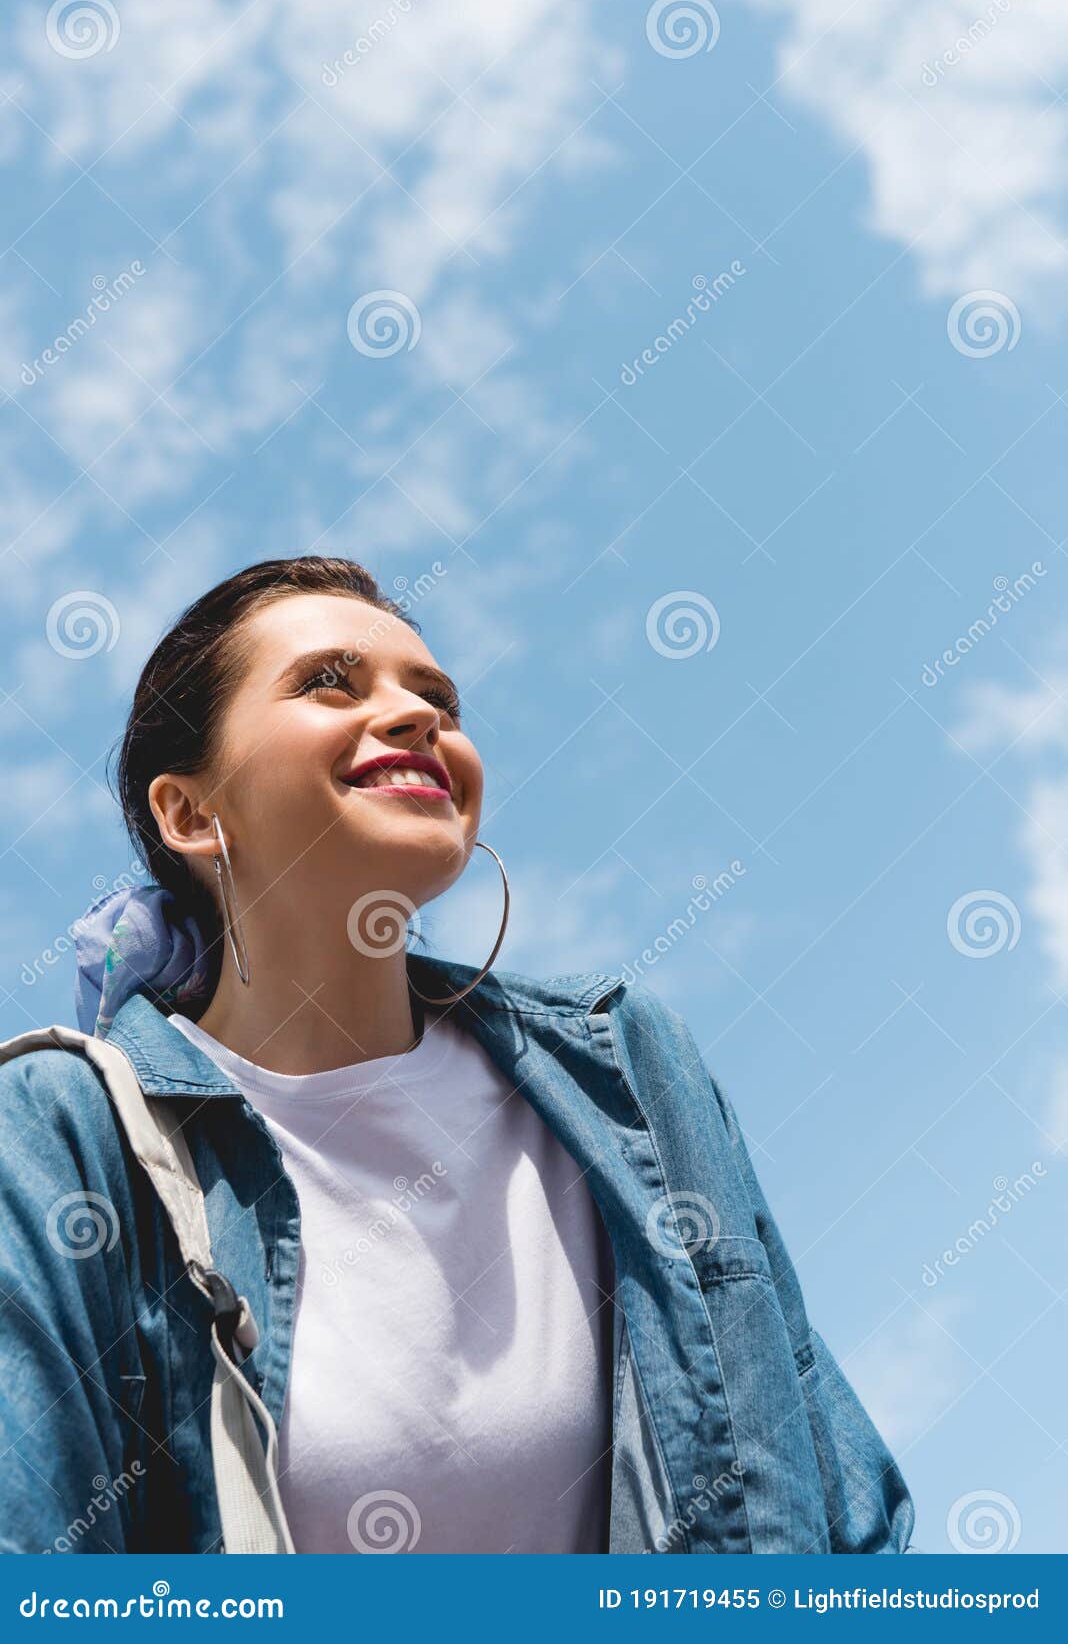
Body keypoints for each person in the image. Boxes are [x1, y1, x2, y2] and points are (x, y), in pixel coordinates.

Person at [0, 555, 914, 1554]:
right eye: (328, 683)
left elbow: (843, 1516)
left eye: (436, 697)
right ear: (187, 813)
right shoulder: (58, 1133)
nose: (415, 716)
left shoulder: (635, 1072)